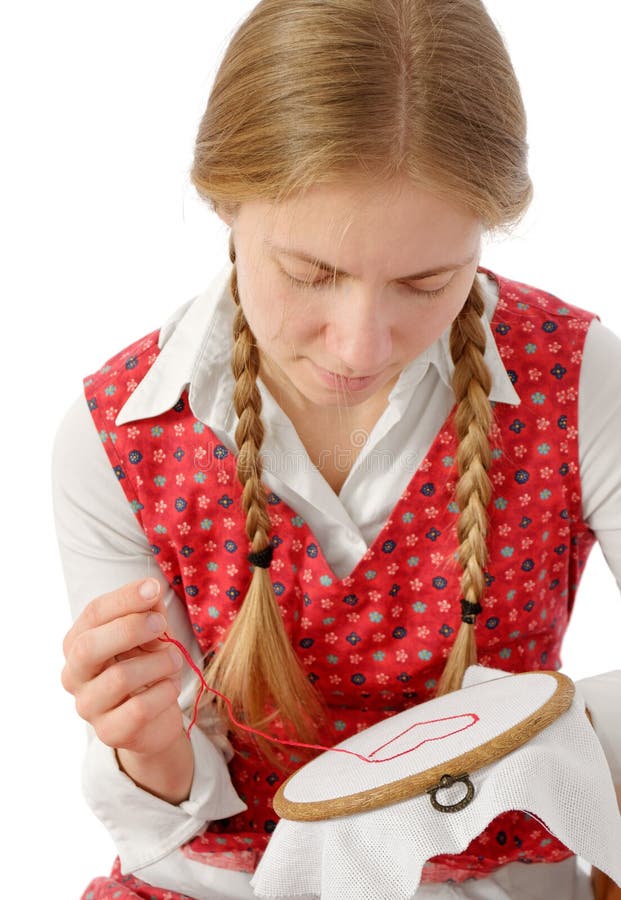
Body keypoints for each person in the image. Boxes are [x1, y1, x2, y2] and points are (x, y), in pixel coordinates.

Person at [52, 1, 621, 898]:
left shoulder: (578, 378)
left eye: (426, 282)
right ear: (223, 203)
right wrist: (145, 745)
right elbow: (167, 824)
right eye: (310, 274)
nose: (359, 348)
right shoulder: (118, 437)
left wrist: (546, 754)